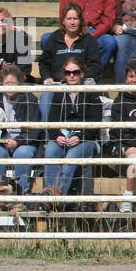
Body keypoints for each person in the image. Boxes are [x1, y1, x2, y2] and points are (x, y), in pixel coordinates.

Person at [41, 57, 103, 200]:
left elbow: (96, 122)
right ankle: (49, 195)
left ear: (82, 73)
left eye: (75, 72)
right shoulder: (59, 93)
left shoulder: (91, 93)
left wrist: (80, 137)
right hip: (62, 137)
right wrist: (57, 136)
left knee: (70, 159)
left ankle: (57, 198)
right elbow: (52, 120)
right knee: (50, 152)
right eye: (68, 73)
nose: (71, 76)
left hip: (86, 139)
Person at [0, 64, 41, 211]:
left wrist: (17, 142)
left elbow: (34, 131)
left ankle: (20, 199)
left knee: (22, 153)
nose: (9, 86)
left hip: (24, 141)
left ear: (19, 84)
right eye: (6, 83)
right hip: (3, 140)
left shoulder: (30, 99)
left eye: (13, 83)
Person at [37, 3, 103, 122]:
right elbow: (44, 63)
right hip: (57, 84)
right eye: (69, 19)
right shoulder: (53, 39)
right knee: (46, 95)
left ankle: (85, 135)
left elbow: (96, 66)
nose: (72, 22)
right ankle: (47, 137)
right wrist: (47, 78)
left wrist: (79, 78)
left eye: (75, 19)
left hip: (81, 83)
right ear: (63, 21)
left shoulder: (89, 40)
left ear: (80, 21)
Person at [107, 59, 136, 213]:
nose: (134, 80)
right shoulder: (120, 100)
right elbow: (119, 132)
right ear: (126, 78)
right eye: (131, 76)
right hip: (123, 143)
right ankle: (128, 197)